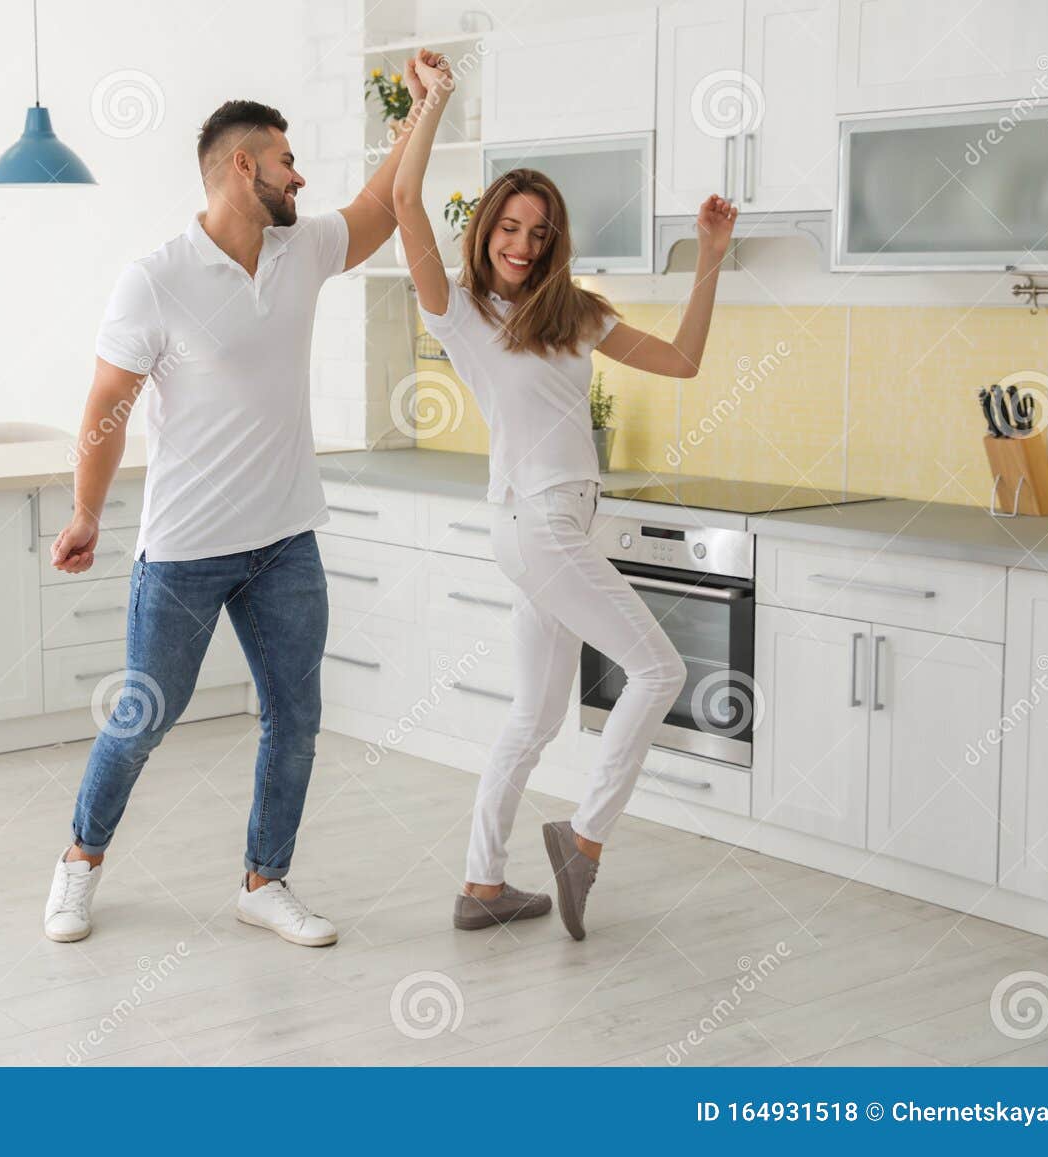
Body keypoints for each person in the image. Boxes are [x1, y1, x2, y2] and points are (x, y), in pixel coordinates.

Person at [43, 58, 443, 947]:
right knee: (143, 720)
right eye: (287, 161)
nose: (301, 176)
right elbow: (107, 408)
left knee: (296, 716)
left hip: (285, 541)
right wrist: (86, 513)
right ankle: (79, 862)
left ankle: (266, 880)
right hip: (185, 549)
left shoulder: (302, 250)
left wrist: (425, 109)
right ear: (242, 169)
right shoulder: (156, 278)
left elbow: (383, 205)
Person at [393, 54, 737, 938]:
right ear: (486, 232)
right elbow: (404, 204)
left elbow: (685, 360)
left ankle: (481, 885)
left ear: (554, 242)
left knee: (534, 716)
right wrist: (433, 101)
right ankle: (583, 843)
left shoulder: (574, 313)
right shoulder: (462, 314)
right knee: (660, 670)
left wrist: (710, 260)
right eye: (509, 226)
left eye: (538, 232)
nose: (521, 243)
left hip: (554, 522)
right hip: (536, 521)